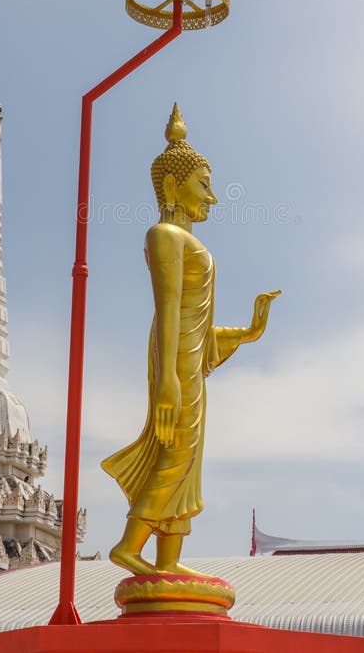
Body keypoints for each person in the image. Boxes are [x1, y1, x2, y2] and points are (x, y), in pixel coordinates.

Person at [101, 104, 280, 575]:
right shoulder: (165, 236)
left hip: (189, 359)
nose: (213, 197)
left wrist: (248, 331)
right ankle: (128, 546)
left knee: (188, 459)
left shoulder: (194, 244)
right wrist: (167, 381)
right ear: (170, 186)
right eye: (203, 184)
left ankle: (168, 561)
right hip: (175, 361)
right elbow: (167, 311)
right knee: (176, 451)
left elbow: (199, 326)